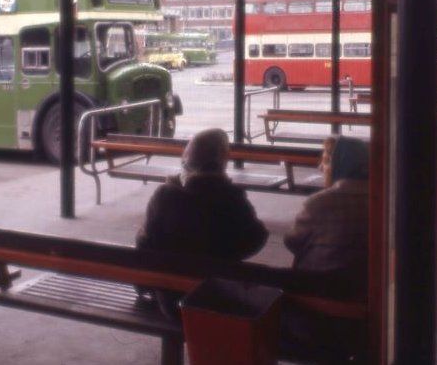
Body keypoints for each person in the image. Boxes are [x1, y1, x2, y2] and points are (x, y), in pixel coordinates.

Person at [134, 128, 268, 317]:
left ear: (187, 162)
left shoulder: (164, 196)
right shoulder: (232, 199)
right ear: (222, 160)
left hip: (170, 301)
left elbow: (145, 243)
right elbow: (256, 239)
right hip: (216, 300)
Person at [281, 136, 369, 362]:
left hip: (316, 309)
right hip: (368, 307)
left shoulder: (319, 203)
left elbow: (293, 241)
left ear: (340, 164)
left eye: (326, 161)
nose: (321, 167)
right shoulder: (384, 200)